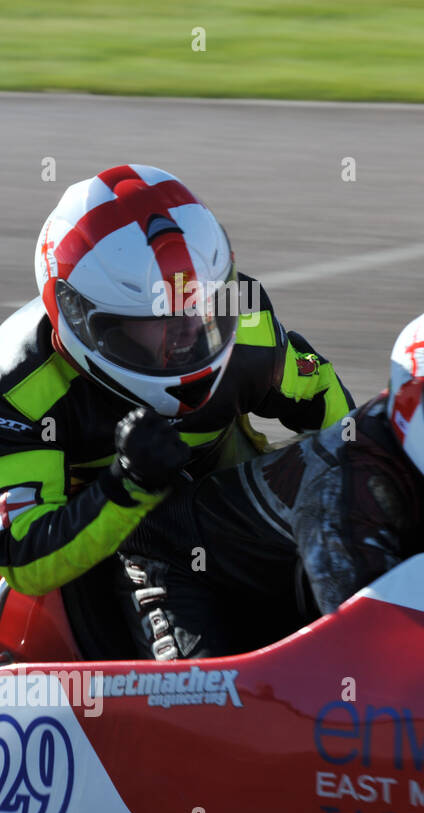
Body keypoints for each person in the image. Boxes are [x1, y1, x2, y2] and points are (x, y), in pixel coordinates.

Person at [112, 281, 424, 659]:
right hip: (175, 560)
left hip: (293, 585)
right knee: (213, 724)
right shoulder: (346, 490)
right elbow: (377, 656)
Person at [0, 164, 353, 658]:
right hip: (97, 559)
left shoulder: (248, 326)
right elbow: (24, 559)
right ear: (84, 321)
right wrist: (127, 486)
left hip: (230, 510)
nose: (191, 331)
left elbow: (333, 408)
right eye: (162, 318)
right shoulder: (20, 393)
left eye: (201, 307)